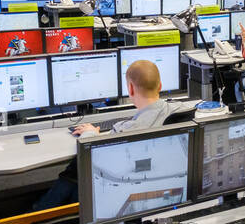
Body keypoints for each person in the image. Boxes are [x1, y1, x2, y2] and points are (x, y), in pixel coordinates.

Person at [32, 60, 174, 210]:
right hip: (161, 184)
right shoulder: (178, 111)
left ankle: (37, 213)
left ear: (130, 89)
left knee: (73, 170)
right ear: (160, 86)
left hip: (119, 190)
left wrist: (90, 133)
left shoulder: (125, 130)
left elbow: (90, 155)